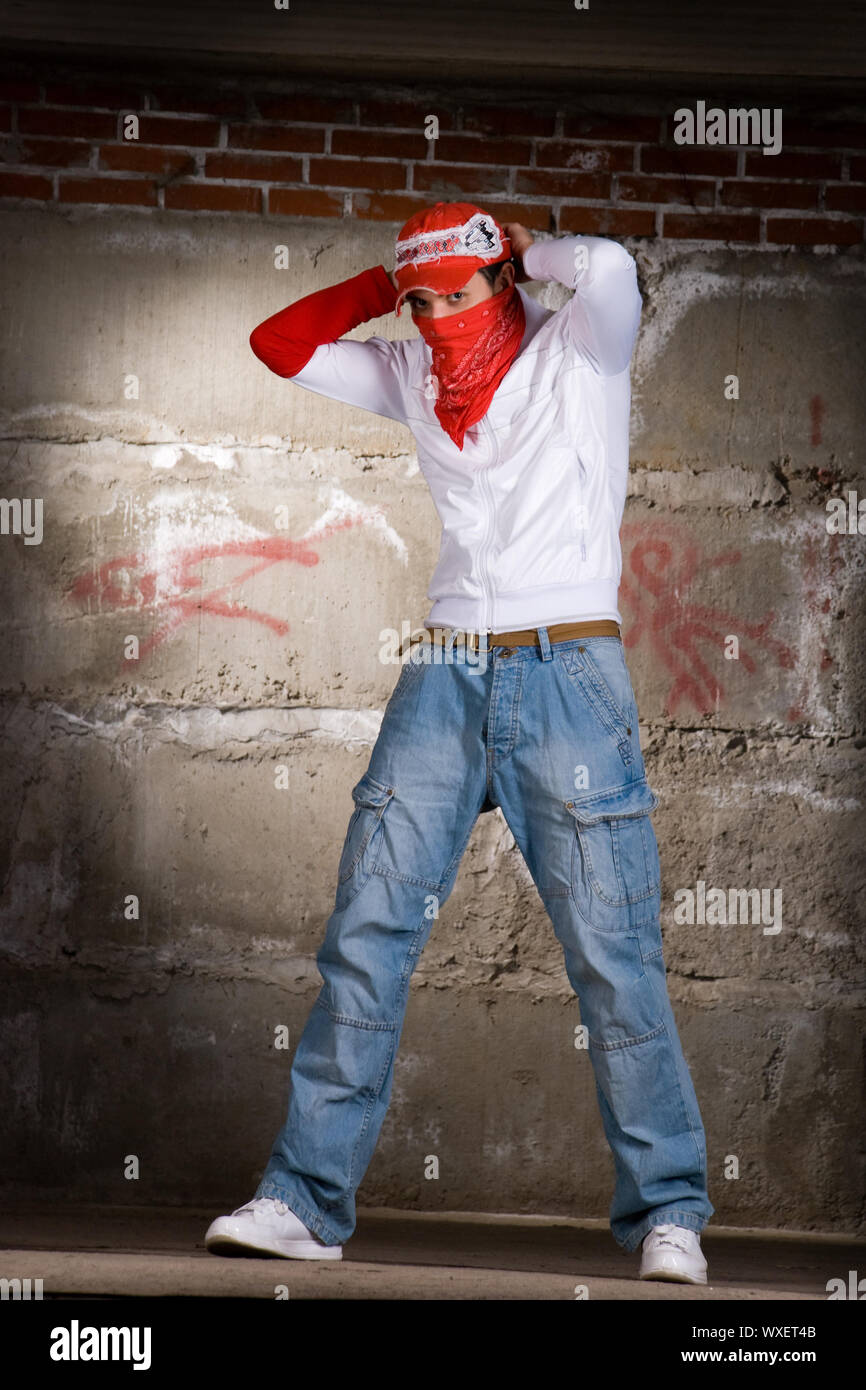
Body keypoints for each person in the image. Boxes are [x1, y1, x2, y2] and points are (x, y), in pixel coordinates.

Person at [204, 201, 714, 1283]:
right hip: (444, 671)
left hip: (567, 668)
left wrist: (528, 249)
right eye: (419, 302)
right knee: (367, 933)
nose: (438, 318)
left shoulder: (579, 350)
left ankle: (669, 1213)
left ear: (503, 283)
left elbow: (610, 268)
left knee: (613, 954)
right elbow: (277, 344)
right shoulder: (412, 374)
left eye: (457, 294)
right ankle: (303, 1204)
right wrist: (383, 285)